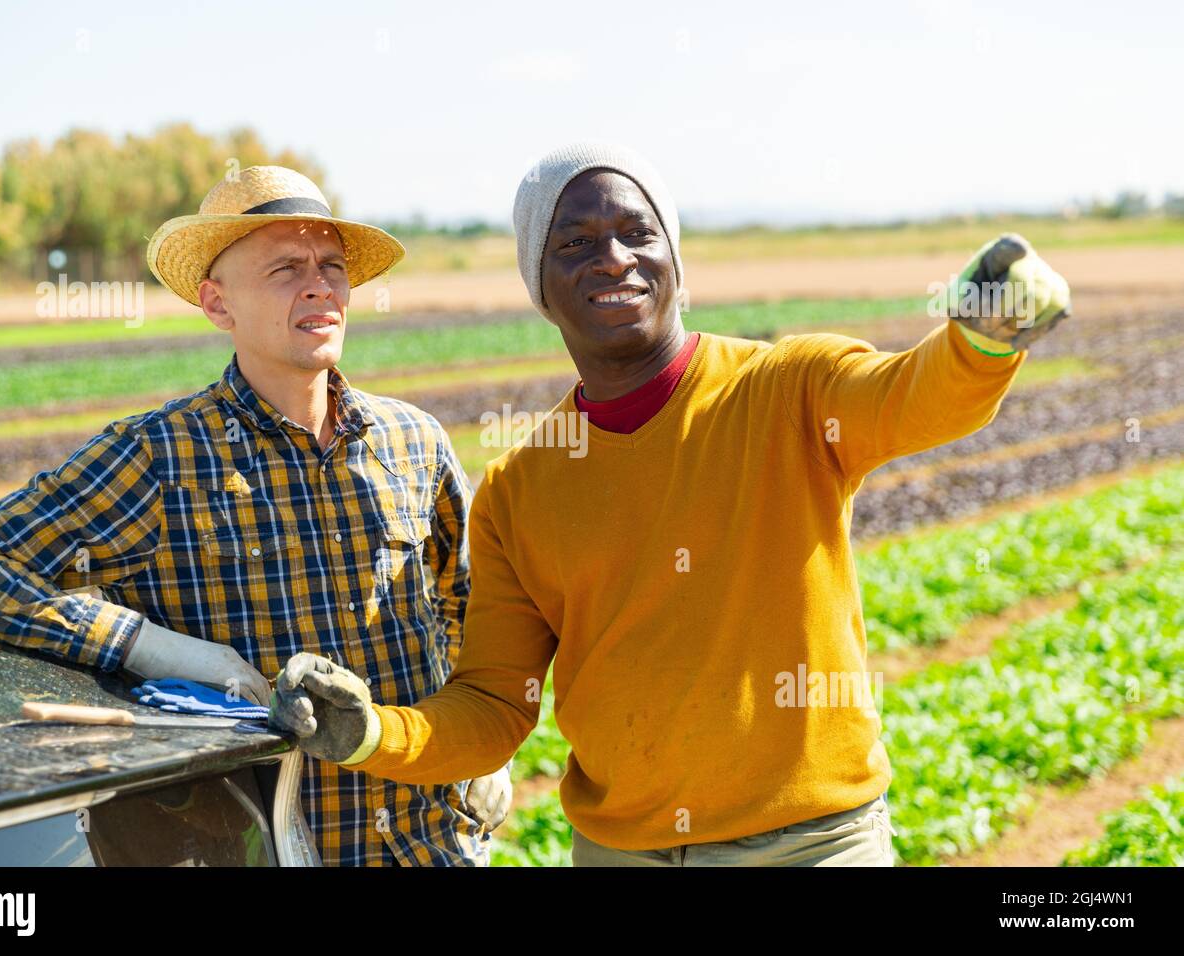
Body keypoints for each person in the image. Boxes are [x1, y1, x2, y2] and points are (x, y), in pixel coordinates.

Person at [274, 142, 1073, 866]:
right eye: (575, 242)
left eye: (636, 233)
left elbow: (913, 396)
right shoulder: (523, 485)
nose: (612, 257)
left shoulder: (788, 389)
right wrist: (374, 730)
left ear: (675, 261)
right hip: (623, 854)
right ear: (540, 284)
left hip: (812, 848)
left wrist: (980, 339)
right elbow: (493, 705)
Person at [0, 165, 511, 866]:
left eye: (331, 266)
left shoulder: (415, 442)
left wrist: (480, 743)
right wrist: (151, 647)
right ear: (218, 304)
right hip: (273, 846)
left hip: (432, 842)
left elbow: (462, 606)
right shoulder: (157, 457)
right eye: (285, 268)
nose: (319, 285)